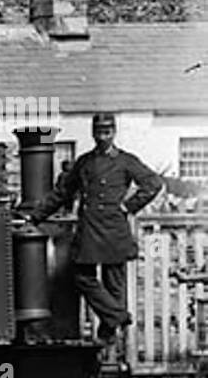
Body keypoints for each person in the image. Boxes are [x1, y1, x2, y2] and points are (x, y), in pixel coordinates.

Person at [28, 113, 163, 344]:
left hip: (114, 228)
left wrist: (128, 206)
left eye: (107, 132)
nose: (103, 137)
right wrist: (35, 216)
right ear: (93, 133)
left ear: (114, 133)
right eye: (99, 132)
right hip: (90, 228)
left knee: (114, 283)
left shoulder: (126, 161)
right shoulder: (84, 162)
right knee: (82, 277)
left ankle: (109, 334)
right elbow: (62, 193)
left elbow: (153, 183)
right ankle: (118, 316)